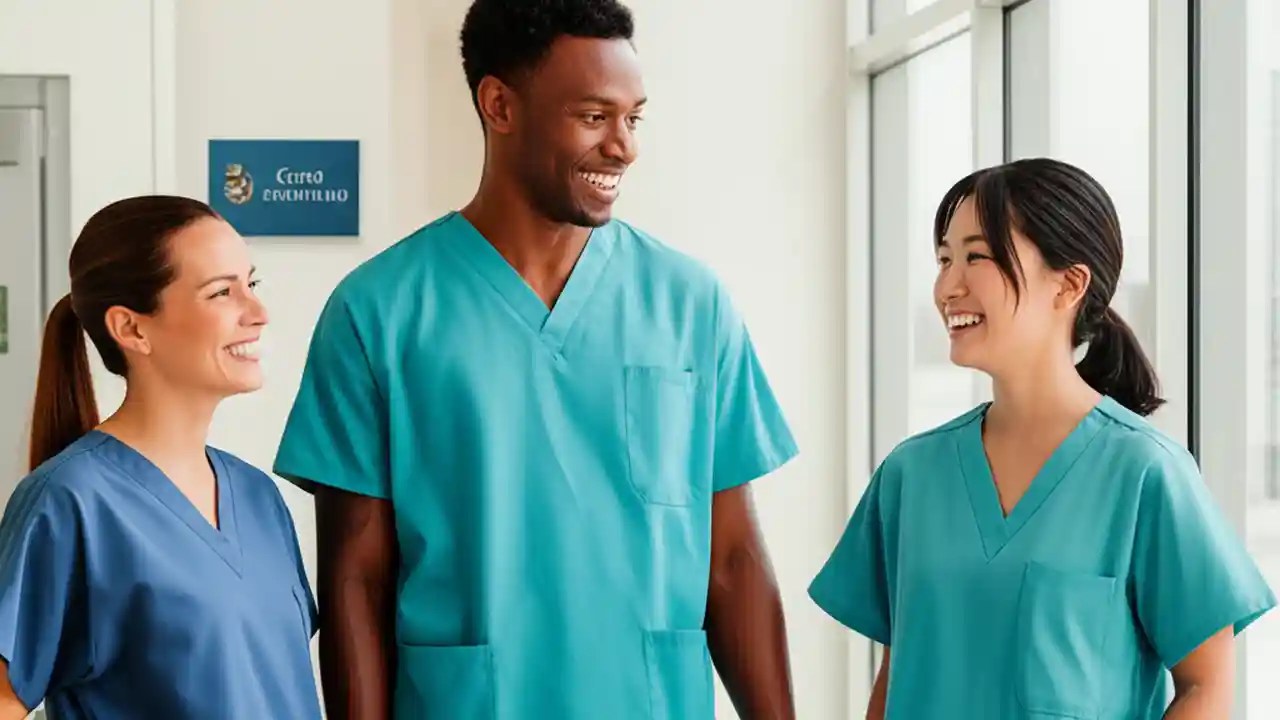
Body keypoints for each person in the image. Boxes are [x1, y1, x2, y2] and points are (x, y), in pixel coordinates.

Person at [273, 1, 799, 718]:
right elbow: (355, 579)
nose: (624, 146)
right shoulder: (378, 312)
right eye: (593, 117)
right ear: (500, 105)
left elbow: (734, 562)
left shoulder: (691, 304)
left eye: (633, 118)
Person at [810, 157, 1277, 718]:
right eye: (944, 258)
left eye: (976, 256)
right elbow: (897, 675)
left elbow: (1208, 686)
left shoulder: (1144, 473)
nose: (947, 286)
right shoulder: (910, 475)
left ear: (1069, 284)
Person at [0, 196, 321, 720]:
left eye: (251, 284)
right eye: (222, 292)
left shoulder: (258, 496)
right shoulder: (70, 500)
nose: (258, 313)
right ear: (131, 329)